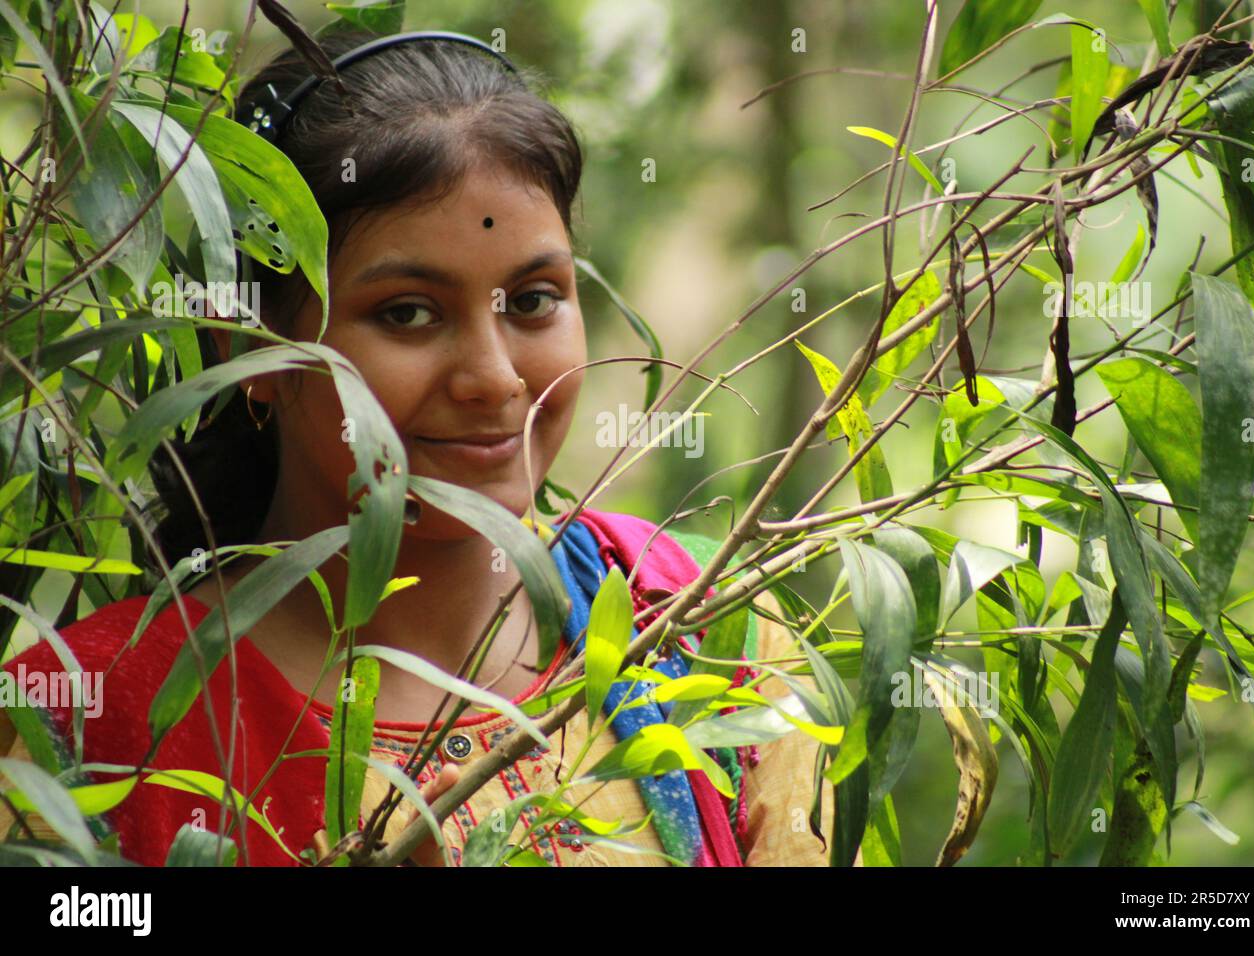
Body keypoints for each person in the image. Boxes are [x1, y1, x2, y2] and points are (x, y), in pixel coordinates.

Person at [0, 29, 841, 867]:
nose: (496, 377)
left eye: (534, 300)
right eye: (408, 312)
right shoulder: (80, 720)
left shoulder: (699, 626)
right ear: (252, 350)